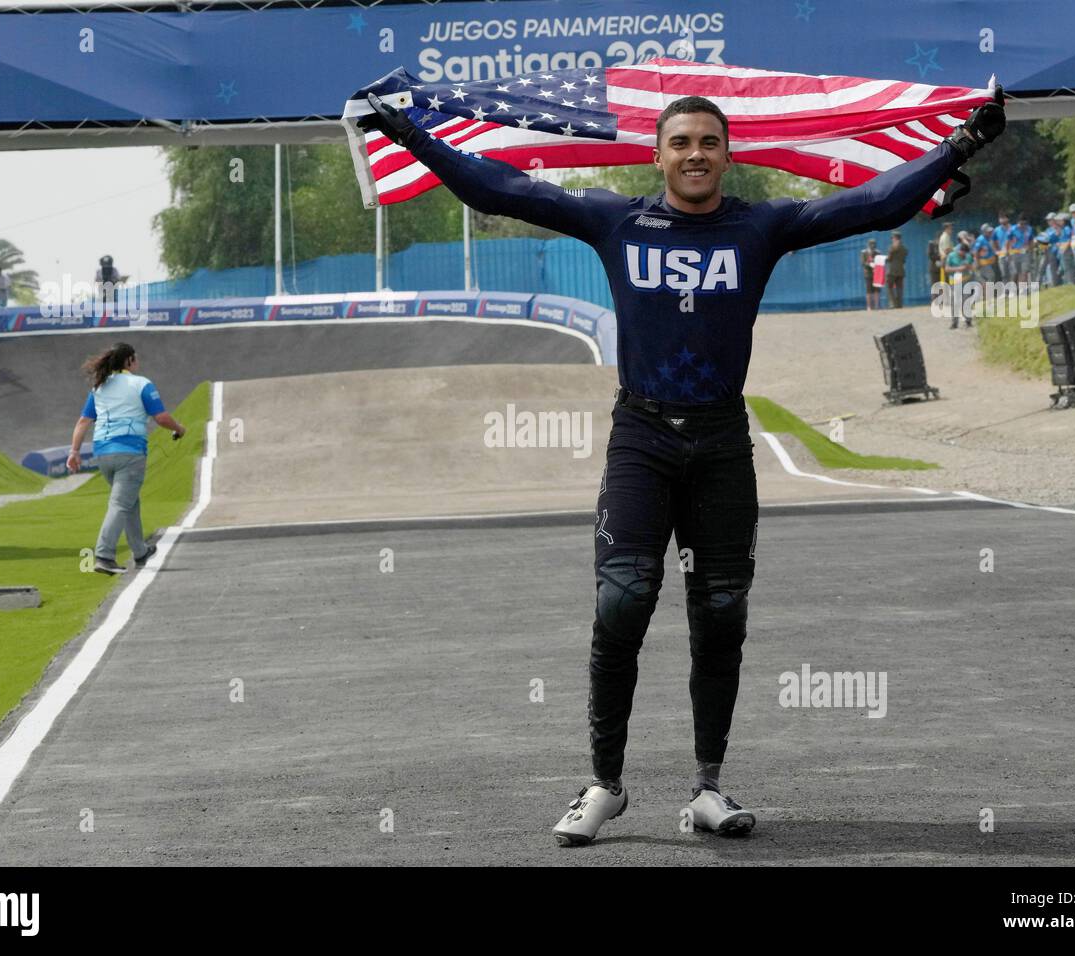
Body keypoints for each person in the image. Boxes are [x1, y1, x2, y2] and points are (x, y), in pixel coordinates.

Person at [360, 83, 1006, 845]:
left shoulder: (763, 226)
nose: (694, 154)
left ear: (728, 154)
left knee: (722, 614)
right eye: (681, 142)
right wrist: (416, 140)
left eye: (708, 142)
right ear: (658, 154)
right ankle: (603, 783)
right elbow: (504, 188)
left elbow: (874, 203)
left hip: (722, 444)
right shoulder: (616, 219)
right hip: (643, 439)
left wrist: (960, 146)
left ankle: (708, 787)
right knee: (623, 601)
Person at [68, 343, 186, 574]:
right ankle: (104, 555)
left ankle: (140, 551)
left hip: (102, 453)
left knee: (129, 501)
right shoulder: (141, 383)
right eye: (136, 359)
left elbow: (83, 422)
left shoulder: (99, 387)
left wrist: (74, 452)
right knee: (121, 503)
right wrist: (179, 428)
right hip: (130, 452)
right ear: (129, 361)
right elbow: (161, 417)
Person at [944, 237, 975, 328]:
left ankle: (968, 321)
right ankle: (954, 322)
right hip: (955, 282)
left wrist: (968, 266)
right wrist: (958, 268)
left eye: (965, 254)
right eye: (962, 254)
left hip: (966, 281)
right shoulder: (951, 256)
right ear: (959, 251)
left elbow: (973, 267)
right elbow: (947, 269)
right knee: (955, 302)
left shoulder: (968, 256)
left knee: (966, 301)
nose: (963, 255)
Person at [885, 231, 907, 308]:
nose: (892, 239)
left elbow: (889, 258)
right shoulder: (904, 248)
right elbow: (904, 259)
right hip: (901, 270)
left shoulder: (892, 247)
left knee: (889, 286)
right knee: (899, 287)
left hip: (892, 270)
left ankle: (893, 303)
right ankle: (899, 304)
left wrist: (885, 258)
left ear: (894, 238)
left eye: (892, 238)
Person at [862, 238, 880, 311]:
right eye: (871, 244)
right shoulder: (864, 252)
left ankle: (876, 306)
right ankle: (869, 306)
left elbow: (880, 262)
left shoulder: (877, 252)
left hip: (876, 273)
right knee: (868, 291)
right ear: (868, 245)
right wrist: (870, 264)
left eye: (874, 244)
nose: (872, 245)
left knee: (877, 290)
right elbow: (863, 262)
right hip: (868, 274)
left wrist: (875, 264)